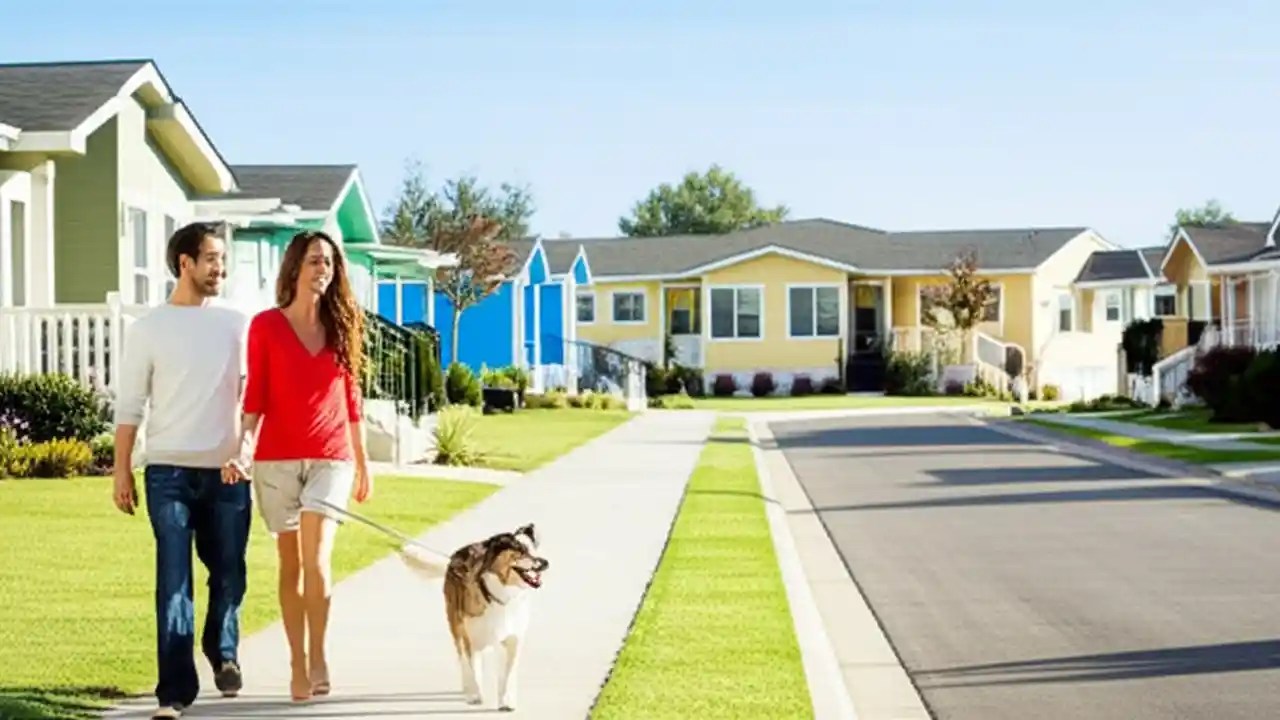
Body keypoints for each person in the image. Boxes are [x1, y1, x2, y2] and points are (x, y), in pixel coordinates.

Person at [223, 229, 372, 702]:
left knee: (317, 560)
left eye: (328, 261)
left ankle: (321, 652)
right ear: (294, 268)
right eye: (313, 261)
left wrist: (364, 466)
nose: (322, 268)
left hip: (331, 458)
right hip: (276, 461)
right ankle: (297, 662)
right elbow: (256, 397)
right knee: (290, 565)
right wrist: (243, 447)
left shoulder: (345, 324)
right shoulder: (265, 326)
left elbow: (352, 403)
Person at [112, 222, 252, 720]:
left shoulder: (239, 325)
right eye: (211, 258)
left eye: (223, 258)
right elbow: (130, 405)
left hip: (228, 473)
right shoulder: (148, 329)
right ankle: (173, 690)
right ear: (184, 263)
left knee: (230, 573)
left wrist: (248, 450)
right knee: (173, 578)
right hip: (167, 471)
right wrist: (121, 470)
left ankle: (222, 646)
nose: (221, 267)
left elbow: (251, 399)